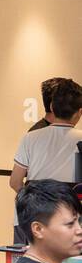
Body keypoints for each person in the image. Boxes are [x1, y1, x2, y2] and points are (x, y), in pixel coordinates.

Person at [10, 78, 82, 244]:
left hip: (30, 218)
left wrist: (32, 202)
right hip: (70, 221)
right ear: (79, 112)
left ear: (51, 107)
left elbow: (15, 181)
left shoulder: (30, 138)